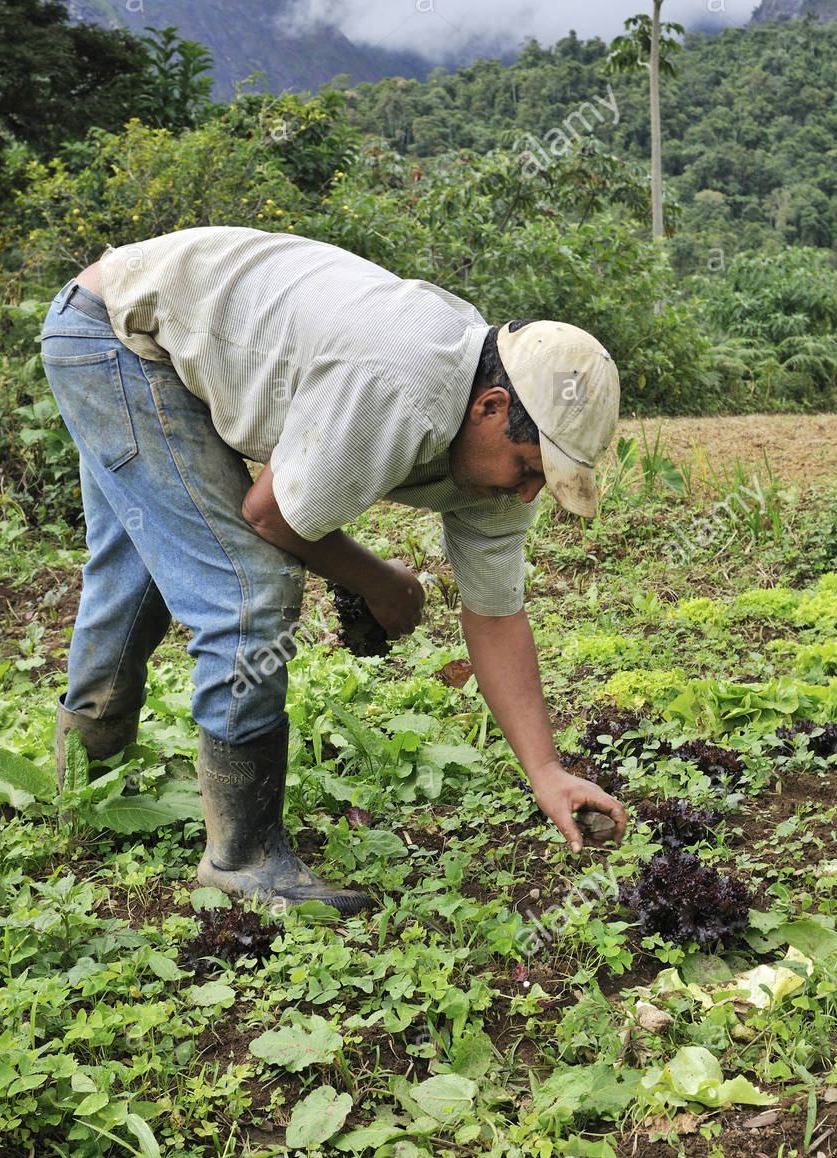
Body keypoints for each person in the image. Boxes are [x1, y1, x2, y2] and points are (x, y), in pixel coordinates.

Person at [40, 225, 627, 915]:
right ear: (490, 409)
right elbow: (271, 517)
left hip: (145, 324)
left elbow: (496, 614)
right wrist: (383, 583)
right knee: (248, 590)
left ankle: (81, 775)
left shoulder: (495, 450)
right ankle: (243, 860)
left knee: (139, 566)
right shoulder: (403, 387)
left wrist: (546, 771)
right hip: (120, 336)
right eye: (529, 470)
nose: (528, 494)